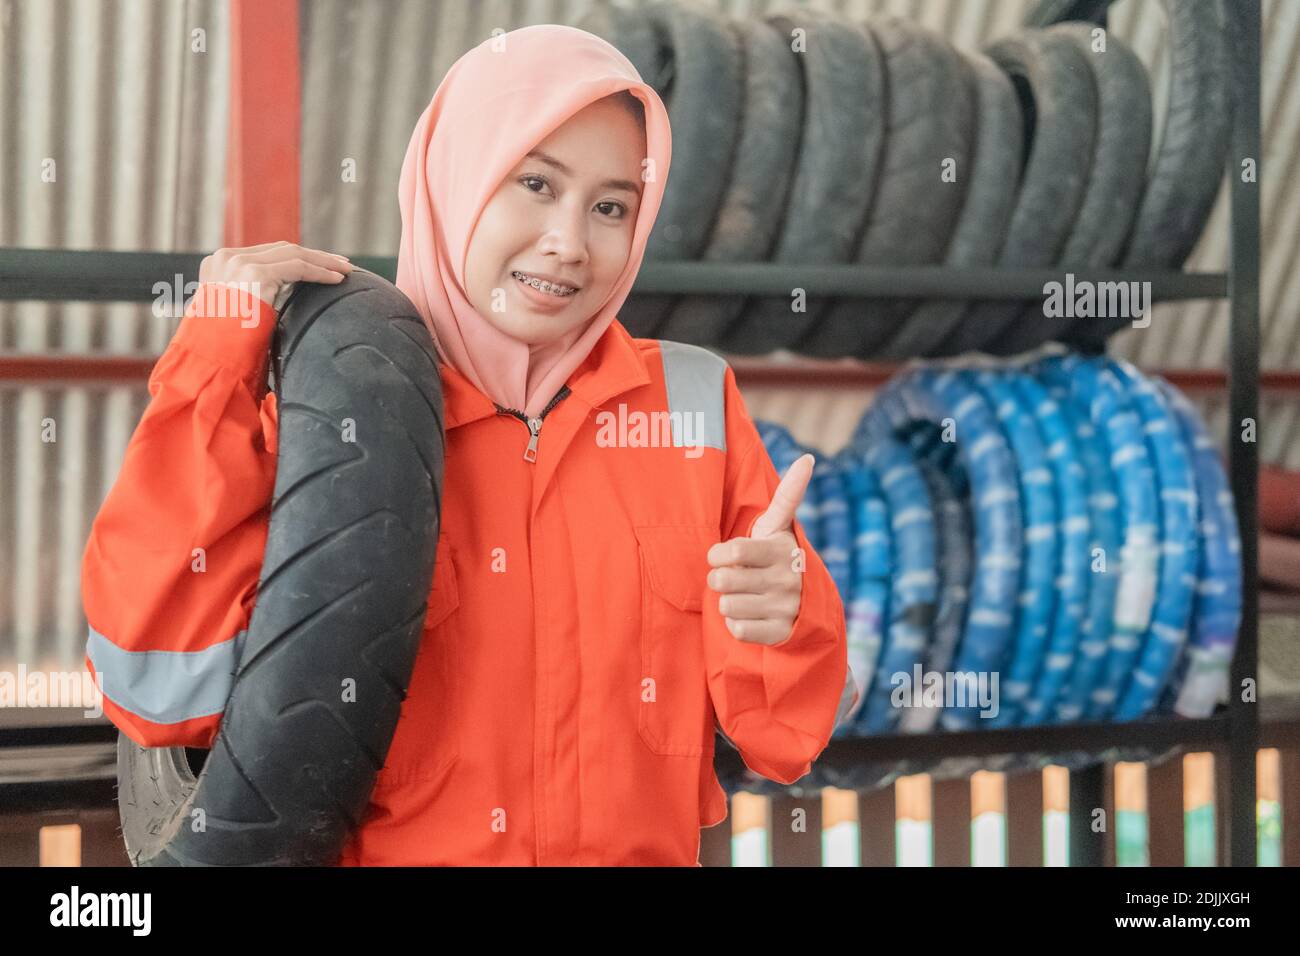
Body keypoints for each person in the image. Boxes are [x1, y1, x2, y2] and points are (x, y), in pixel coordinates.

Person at [81, 24, 853, 866]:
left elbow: (784, 734)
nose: (569, 240)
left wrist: (785, 621)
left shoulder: (692, 403)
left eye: (610, 206)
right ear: (454, 178)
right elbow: (158, 689)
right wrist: (213, 368)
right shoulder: (326, 422)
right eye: (534, 183)